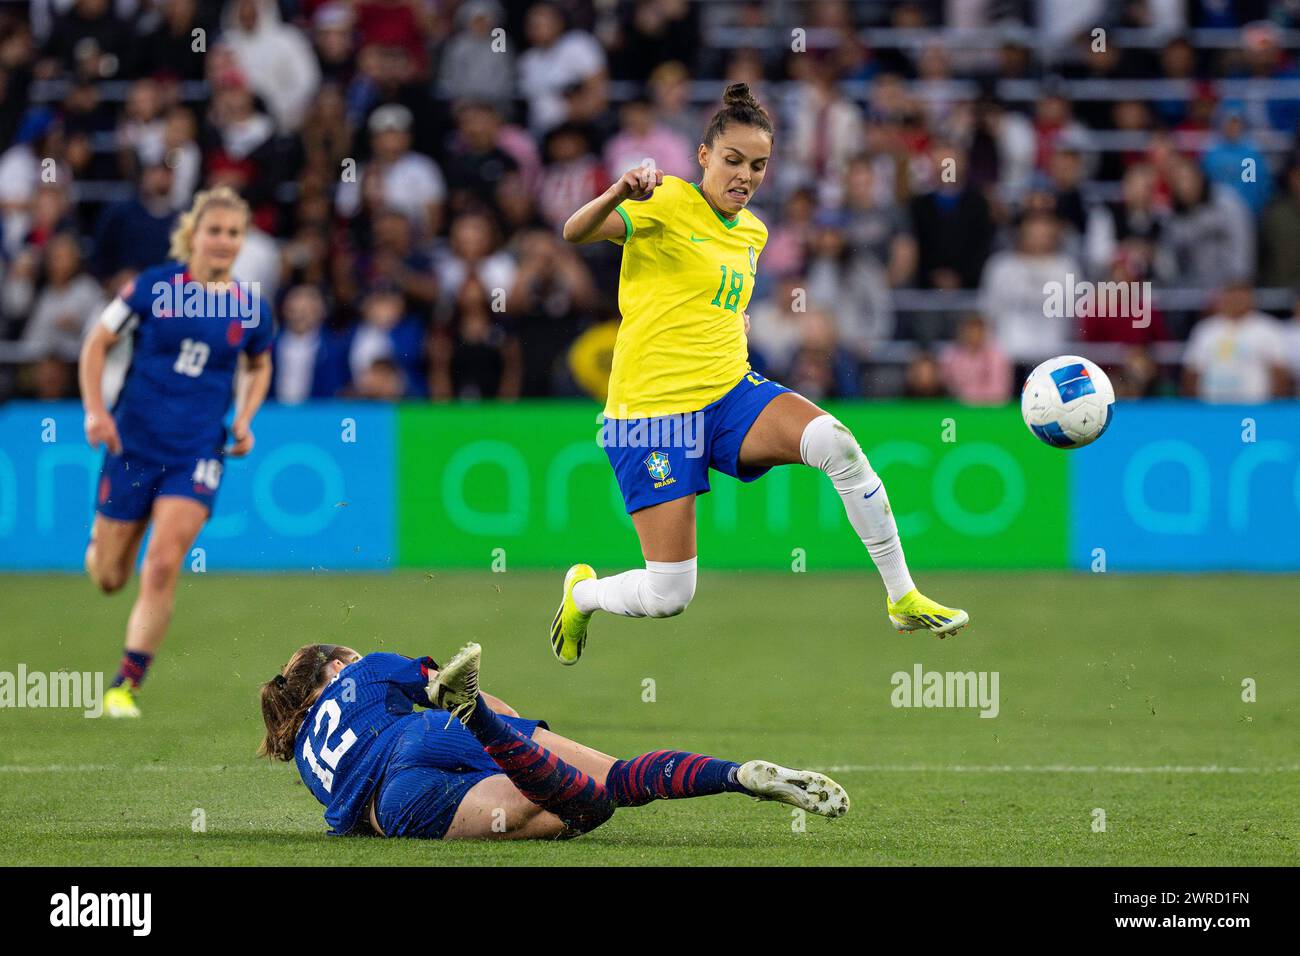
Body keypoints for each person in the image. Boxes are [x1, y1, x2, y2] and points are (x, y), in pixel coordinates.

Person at [554, 83, 967, 668]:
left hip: (728, 394)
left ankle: (901, 595)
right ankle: (584, 594)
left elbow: (717, 302)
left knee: (837, 444)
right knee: (671, 594)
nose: (745, 175)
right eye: (733, 160)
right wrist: (621, 189)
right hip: (651, 416)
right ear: (704, 156)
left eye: (758, 165)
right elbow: (574, 232)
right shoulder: (664, 201)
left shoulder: (753, 232)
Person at [260, 642, 848, 840]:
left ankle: (486, 731)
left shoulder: (307, 762)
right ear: (335, 667)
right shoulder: (367, 673)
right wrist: (498, 724)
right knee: (612, 780)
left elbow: (353, 821)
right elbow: (475, 698)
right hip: (430, 729)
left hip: (395, 800)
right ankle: (736, 774)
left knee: (574, 812)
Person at [78, 186, 275, 718]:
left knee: (163, 564)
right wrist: (96, 411)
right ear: (194, 234)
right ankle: (101, 547)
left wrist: (245, 417)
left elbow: (259, 364)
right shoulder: (152, 287)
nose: (224, 241)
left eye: (234, 233)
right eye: (215, 230)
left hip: (196, 453)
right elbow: (97, 342)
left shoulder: (250, 309)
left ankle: (124, 685)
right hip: (133, 444)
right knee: (109, 577)